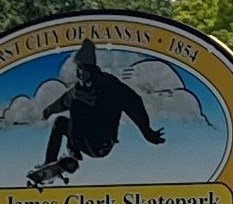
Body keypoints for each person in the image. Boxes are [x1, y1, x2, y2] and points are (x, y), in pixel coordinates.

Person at [41, 38, 165, 166]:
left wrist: (147, 132)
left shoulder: (109, 86)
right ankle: (49, 164)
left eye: (81, 68)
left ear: (89, 69)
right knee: (60, 122)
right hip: (84, 140)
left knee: (77, 107)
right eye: (77, 68)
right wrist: (47, 111)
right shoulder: (77, 91)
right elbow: (62, 102)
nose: (78, 72)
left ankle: (73, 152)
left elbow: (133, 103)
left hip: (102, 142)